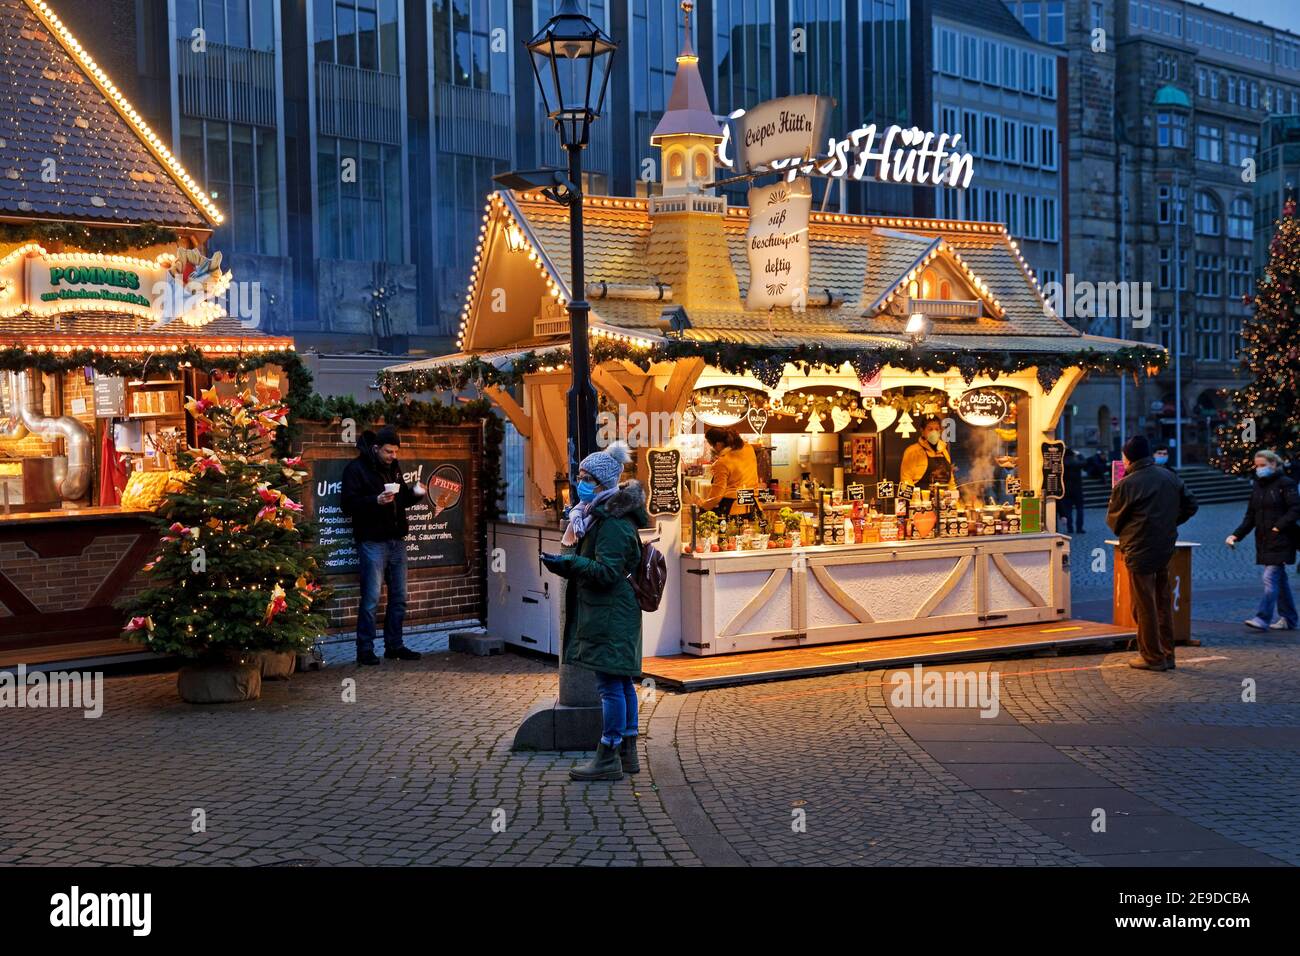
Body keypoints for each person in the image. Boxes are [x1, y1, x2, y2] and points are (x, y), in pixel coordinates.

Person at [541, 442, 649, 781]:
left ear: (602, 483)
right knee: (620, 681)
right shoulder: (597, 515)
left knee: (610, 686)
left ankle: (608, 754)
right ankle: (627, 751)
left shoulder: (613, 523)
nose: (579, 483)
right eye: (579, 476)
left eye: (586, 477)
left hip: (611, 614)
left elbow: (606, 572)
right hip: (611, 612)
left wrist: (568, 564)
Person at [1106, 434, 1199, 671]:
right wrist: (1169, 523)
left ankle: (1152, 656)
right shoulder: (1169, 476)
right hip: (1164, 546)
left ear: (1128, 458)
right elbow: (1191, 505)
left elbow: (1114, 522)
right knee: (1162, 601)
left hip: (1139, 549)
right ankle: (1168, 654)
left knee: (1144, 605)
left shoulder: (1127, 484)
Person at [341, 426, 427, 666]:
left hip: (397, 541)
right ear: (376, 448)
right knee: (371, 598)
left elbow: (400, 501)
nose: (393, 456)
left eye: (396, 451)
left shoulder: (393, 468)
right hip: (372, 542)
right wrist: (374, 500)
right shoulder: (355, 469)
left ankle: (394, 646)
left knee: (399, 597)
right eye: (389, 451)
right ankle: (365, 649)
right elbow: (347, 505)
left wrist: (416, 493)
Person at [1226, 449, 1300, 631]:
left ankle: (1262, 618)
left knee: (1270, 577)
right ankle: (1289, 618)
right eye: (1257, 466)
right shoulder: (1258, 487)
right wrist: (1236, 535)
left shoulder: (1286, 484)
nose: (1259, 469)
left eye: (1263, 465)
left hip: (1282, 538)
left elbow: (1296, 509)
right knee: (1279, 580)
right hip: (1264, 540)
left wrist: (1278, 526)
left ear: (1274, 464)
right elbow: (1251, 516)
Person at [694, 426, 759, 516]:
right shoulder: (749, 449)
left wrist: (703, 506)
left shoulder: (722, 462)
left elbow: (717, 495)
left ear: (719, 444)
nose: (713, 449)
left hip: (733, 509)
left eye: (712, 446)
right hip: (753, 506)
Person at [900, 417, 956, 494]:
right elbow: (905, 479)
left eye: (937, 429)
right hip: (921, 501)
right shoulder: (912, 451)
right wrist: (914, 500)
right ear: (922, 431)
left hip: (943, 501)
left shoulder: (944, 451)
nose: (934, 432)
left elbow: (951, 481)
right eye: (930, 429)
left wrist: (954, 498)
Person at [1061, 448, 1086, 534]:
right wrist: (1079, 454)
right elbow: (1084, 461)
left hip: (1066, 490)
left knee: (1068, 510)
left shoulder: (1062, 463)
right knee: (1080, 509)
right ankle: (1079, 528)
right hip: (1077, 490)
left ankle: (1070, 528)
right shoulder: (1077, 462)